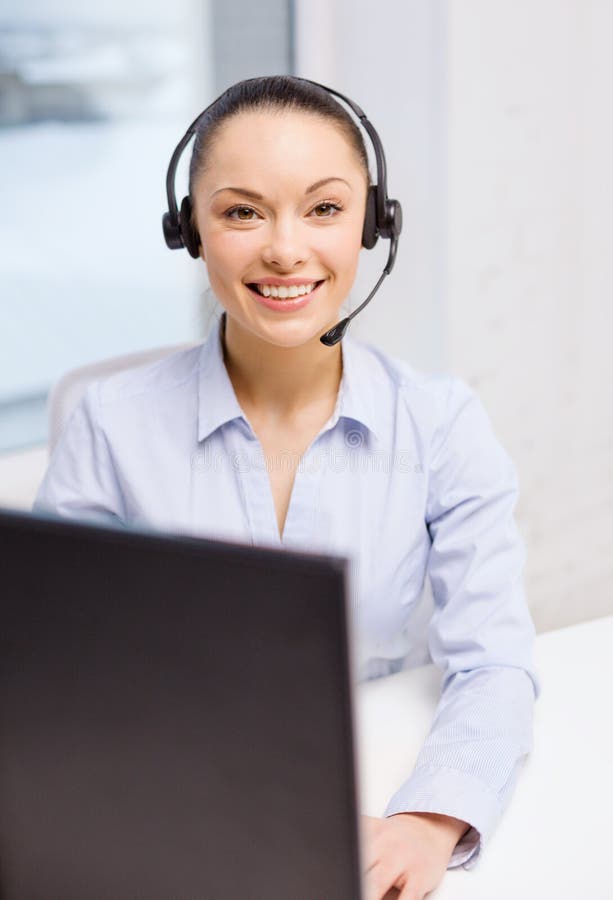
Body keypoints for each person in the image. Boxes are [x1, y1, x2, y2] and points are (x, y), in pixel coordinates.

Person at [33, 75, 540, 899]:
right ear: (188, 230)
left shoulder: (440, 424)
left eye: (325, 209)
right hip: (166, 805)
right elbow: (57, 666)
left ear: (374, 223)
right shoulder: (110, 424)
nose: (284, 248)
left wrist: (430, 817)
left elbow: (496, 665)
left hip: (376, 791)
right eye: (241, 211)